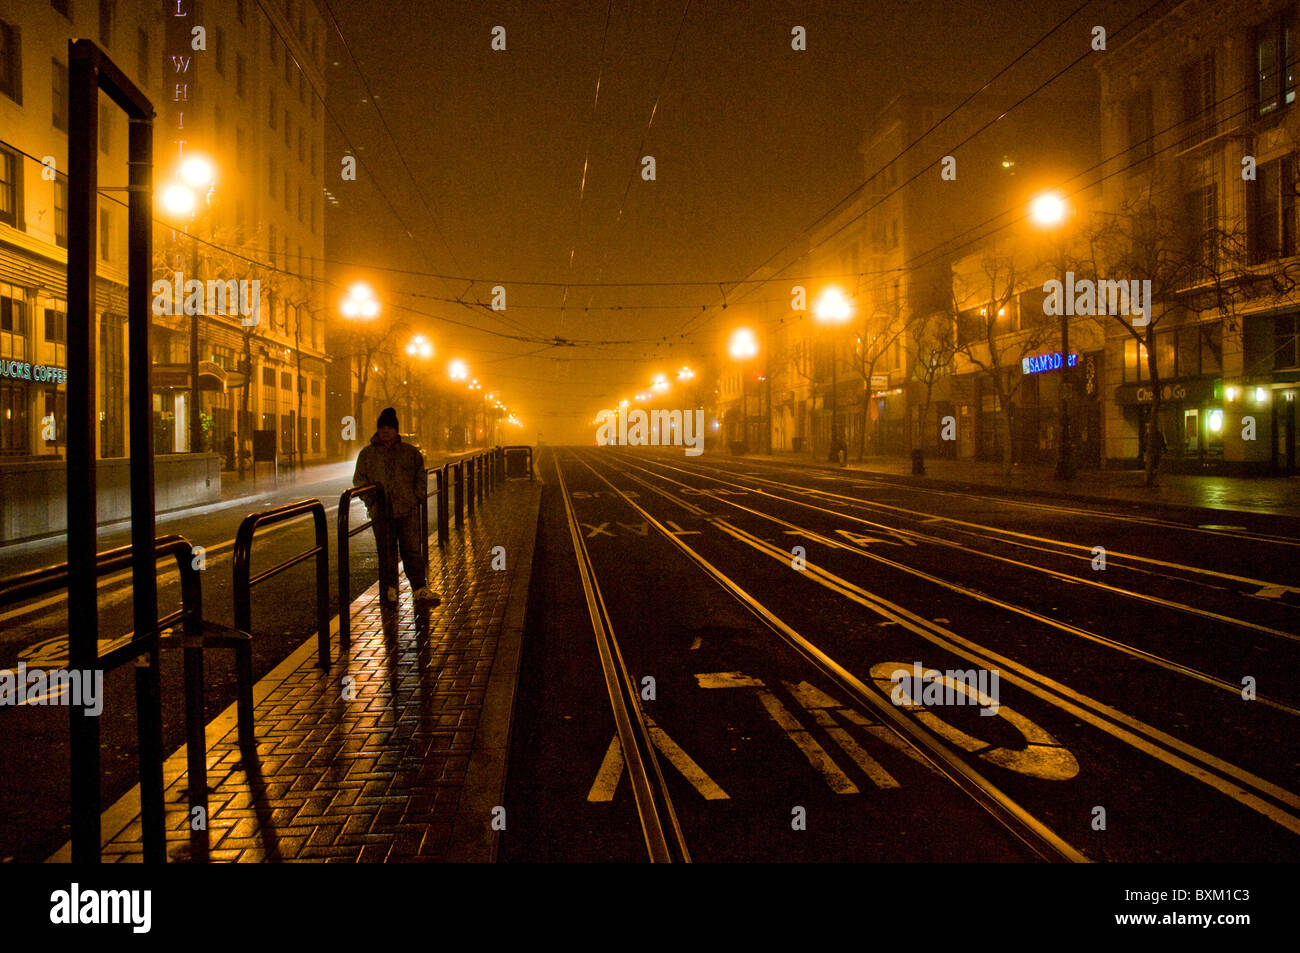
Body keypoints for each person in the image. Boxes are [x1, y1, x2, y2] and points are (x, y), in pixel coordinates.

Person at [353, 407, 440, 608]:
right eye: (382, 428)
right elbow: (359, 480)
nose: (385, 431)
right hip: (381, 512)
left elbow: (420, 476)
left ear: (396, 430)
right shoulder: (367, 454)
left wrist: (416, 497)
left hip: (407, 510)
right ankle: (389, 590)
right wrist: (371, 501)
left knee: (411, 550)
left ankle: (419, 588)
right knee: (386, 552)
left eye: (389, 428)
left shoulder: (409, 453)